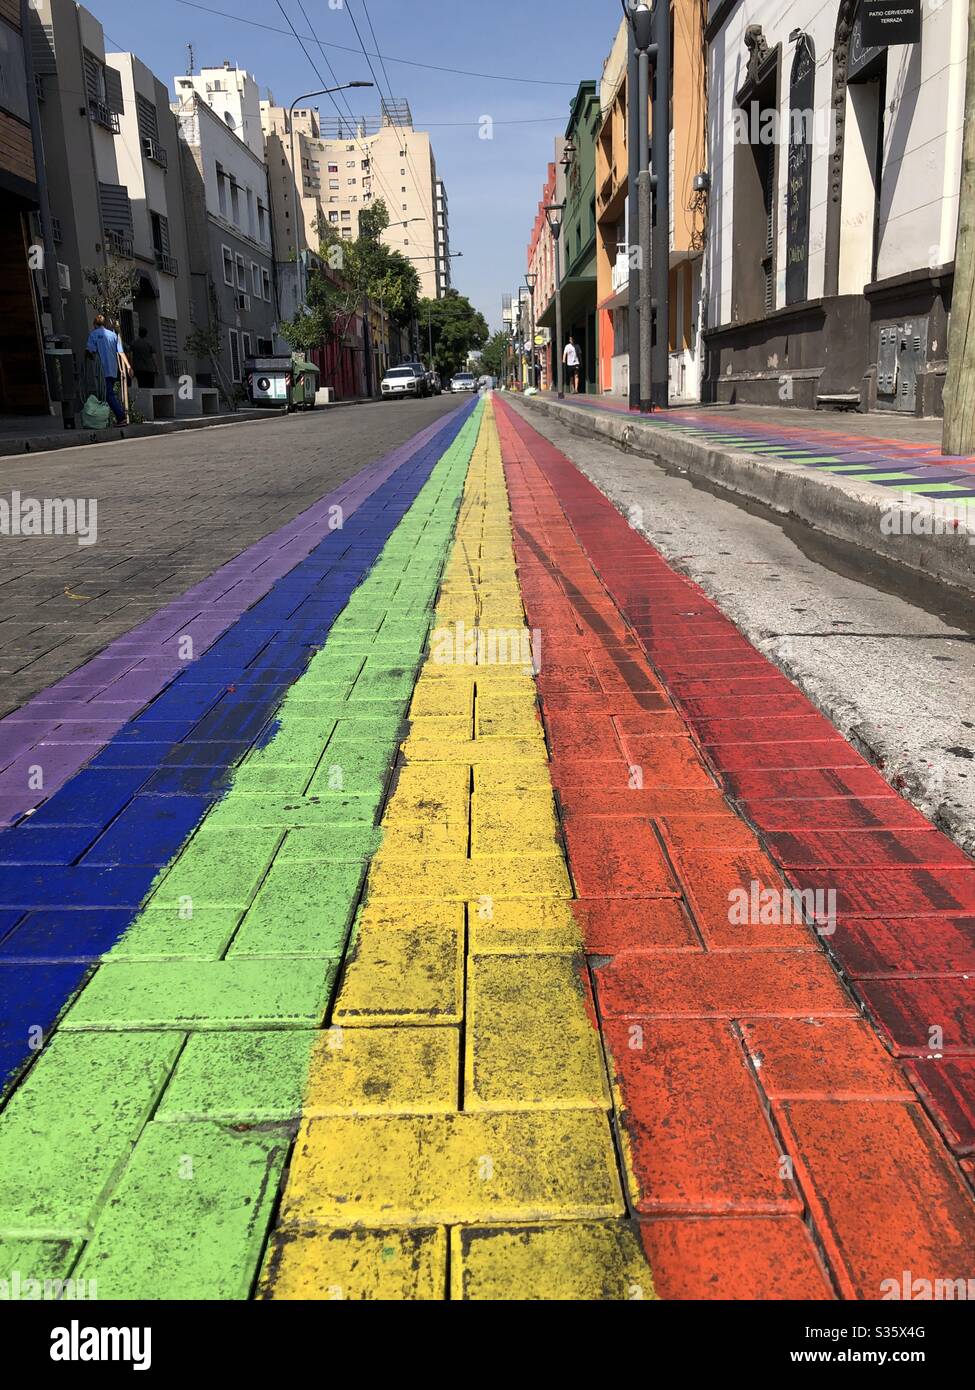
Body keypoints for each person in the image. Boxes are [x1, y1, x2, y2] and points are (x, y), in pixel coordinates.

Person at [85, 314, 132, 424]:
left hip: (101, 370)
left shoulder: (93, 335)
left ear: (94, 324)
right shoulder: (113, 335)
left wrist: (88, 356)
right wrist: (128, 366)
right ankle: (109, 418)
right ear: (105, 324)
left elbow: (90, 351)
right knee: (108, 393)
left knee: (107, 394)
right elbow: (120, 352)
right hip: (112, 369)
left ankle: (121, 417)